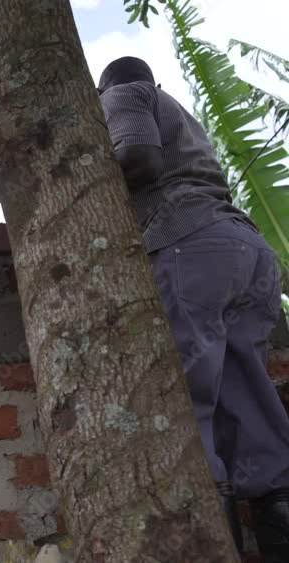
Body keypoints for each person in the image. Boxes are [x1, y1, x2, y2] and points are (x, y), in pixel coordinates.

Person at [99, 56, 289, 560]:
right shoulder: (184, 118)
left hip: (189, 245)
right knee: (247, 398)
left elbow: (139, 160)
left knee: (184, 400)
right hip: (247, 252)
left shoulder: (125, 91)